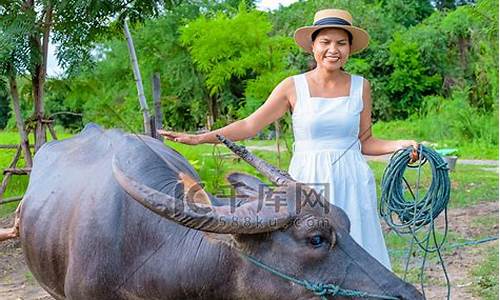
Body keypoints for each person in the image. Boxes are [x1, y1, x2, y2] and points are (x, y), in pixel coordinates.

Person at [158, 9, 417, 270]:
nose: (333, 50)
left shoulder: (361, 86)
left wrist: (400, 145)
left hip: (352, 179)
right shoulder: (293, 86)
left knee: (358, 247)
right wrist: (201, 138)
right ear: (313, 46)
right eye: (325, 42)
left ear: (350, 48)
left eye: (341, 43)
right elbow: (250, 125)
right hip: (308, 180)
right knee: (308, 251)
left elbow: (366, 140)